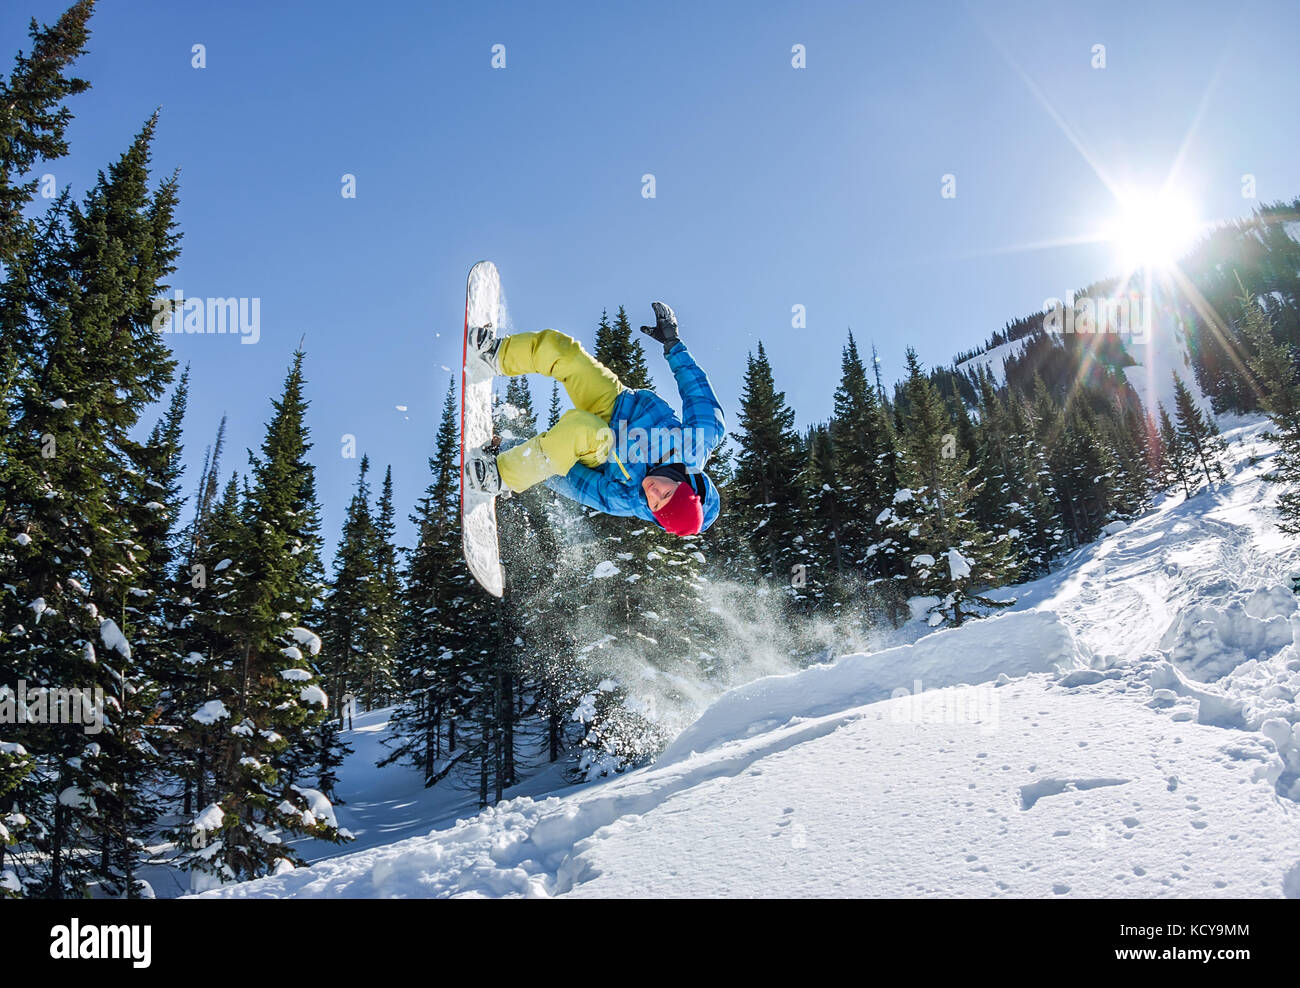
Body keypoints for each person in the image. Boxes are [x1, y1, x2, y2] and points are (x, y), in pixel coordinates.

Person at [465, 302, 724, 536]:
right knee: (565, 353)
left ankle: (496, 477)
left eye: (656, 504)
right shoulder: (698, 440)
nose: (653, 492)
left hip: (599, 448)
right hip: (618, 402)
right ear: (684, 484)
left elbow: (565, 475)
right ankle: (496, 356)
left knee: (582, 429)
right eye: (666, 493)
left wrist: (508, 454)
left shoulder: (626, 498)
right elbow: (697, 391)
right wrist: (673, 343)